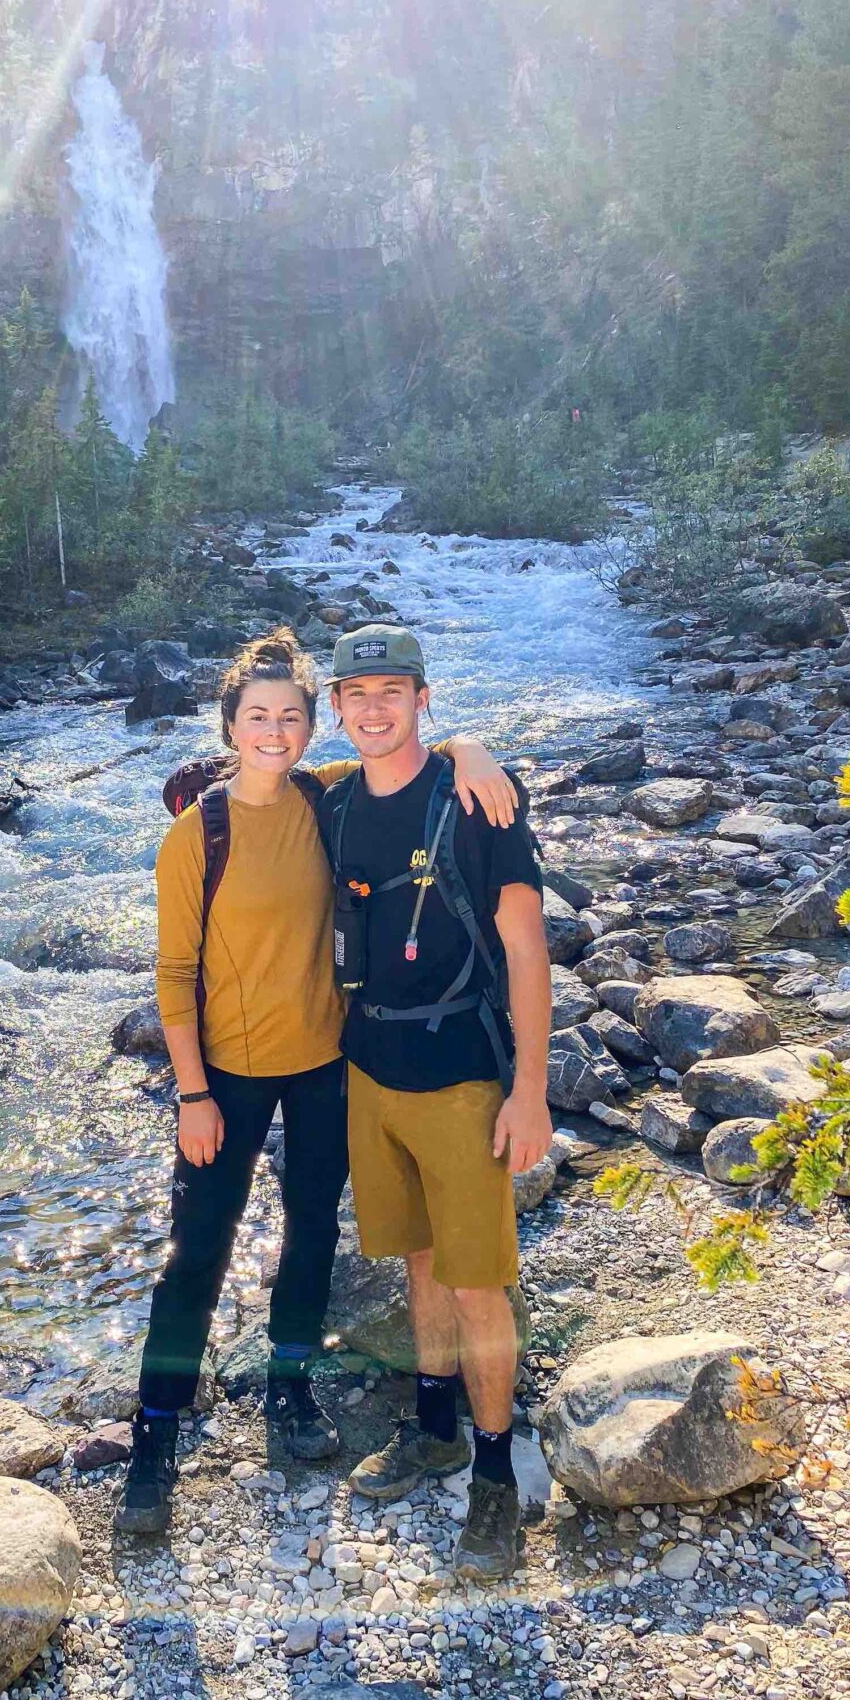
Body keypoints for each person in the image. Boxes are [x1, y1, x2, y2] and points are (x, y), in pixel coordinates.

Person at [115, 629, 516, 1537]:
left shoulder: (322, 797)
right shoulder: (197, 833)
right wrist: (191, 1095)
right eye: (258, 716)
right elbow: (174, 973)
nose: (275, 731)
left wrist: (470, 745)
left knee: (309, 1234)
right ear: (230, 725)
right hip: (224, 1075)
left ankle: (289, 1388)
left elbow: (410, 754)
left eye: (290, 716)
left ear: (311, 726)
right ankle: (154, 1432)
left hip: (327, 1065)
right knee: (198, 1253)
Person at [321, 622, 554, 1583]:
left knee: (476, 1279)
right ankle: (434, 1429)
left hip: (462, 1076)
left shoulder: (477, 805)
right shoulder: (331, 802)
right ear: (335, 708)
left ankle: (496, 1478)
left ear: (424, 698)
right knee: (418, 1259)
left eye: (392, 691)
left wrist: (531, 1091)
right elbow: (250, 768)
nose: (373, 708)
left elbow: (529, 950)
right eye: (357, 694)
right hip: (369, 1071)